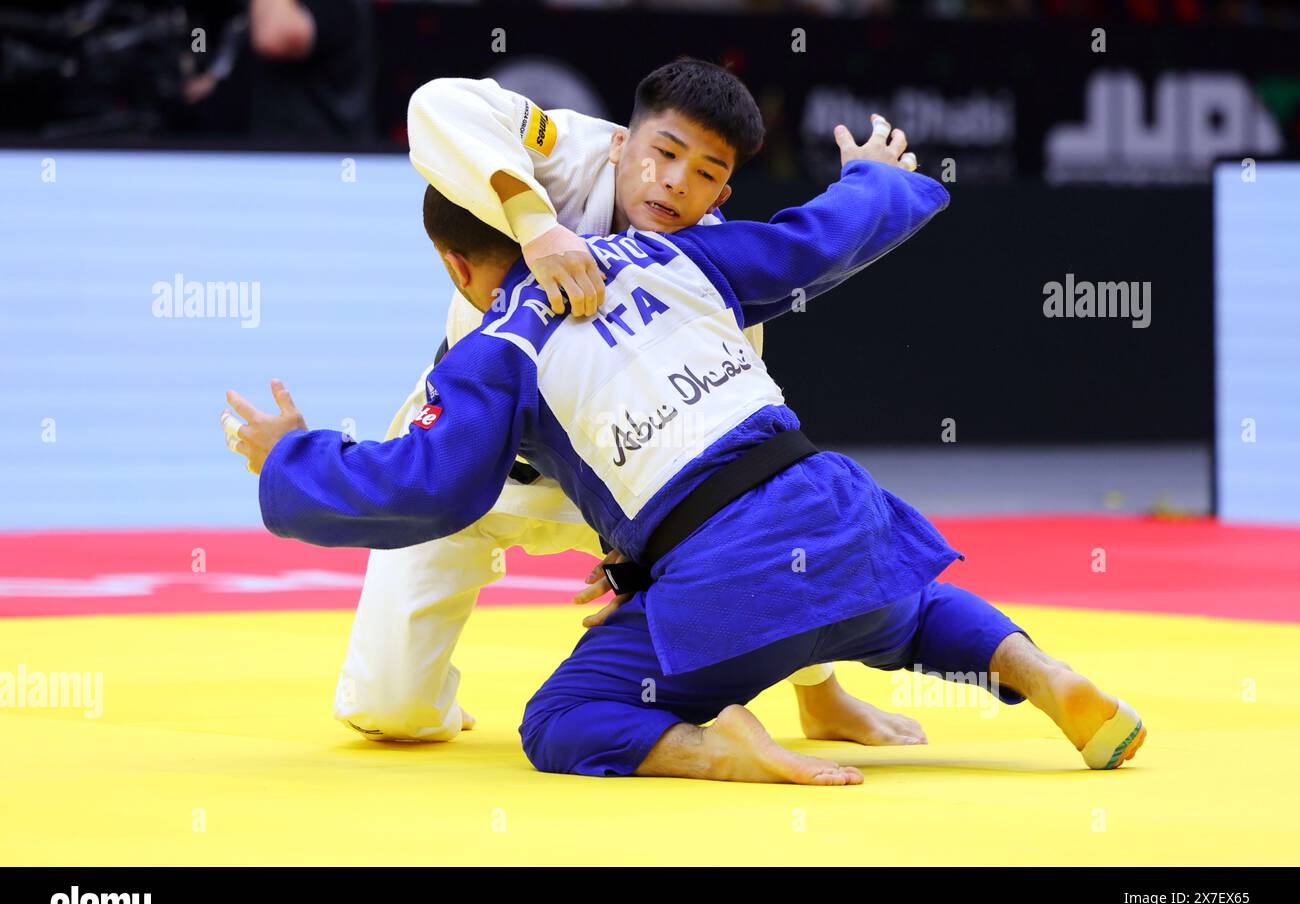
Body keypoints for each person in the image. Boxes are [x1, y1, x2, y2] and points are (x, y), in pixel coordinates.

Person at [224, 125, 1147, 784]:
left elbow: (431, 485)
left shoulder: (496, 347)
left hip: (719, 562)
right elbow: (817, 240)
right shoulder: (674, 256)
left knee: (561, 723)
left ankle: (720, 747)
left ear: (455, 267)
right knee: (903, 613)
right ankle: (1043, 674)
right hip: (835, 504)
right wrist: (874, 178)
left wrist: (291, 457)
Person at [328, 59, 921, 747]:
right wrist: (535, 226)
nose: (673, 182)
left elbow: (732, 463)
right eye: (664, 154)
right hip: (481, 469)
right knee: (388, 713)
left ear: (724, 190)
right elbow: (437, 101)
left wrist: (639, 556)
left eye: (704, 173)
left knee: (765, 526)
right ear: (619, 142)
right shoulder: (561, 156)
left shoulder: (708, 266)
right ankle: (421, 694)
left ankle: (822, 695)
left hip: (613, 488)